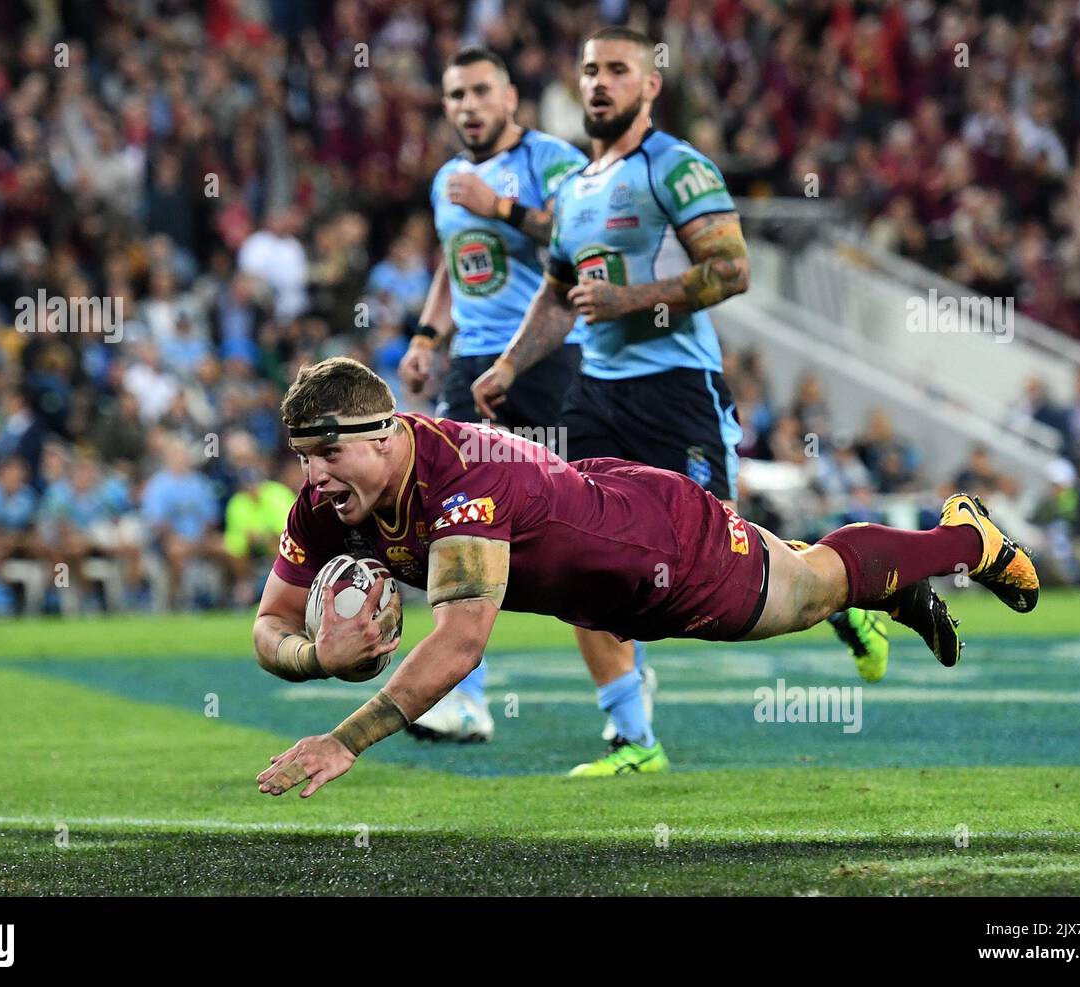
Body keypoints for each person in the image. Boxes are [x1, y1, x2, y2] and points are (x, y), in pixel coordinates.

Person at [252, 358, 1038, 798]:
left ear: (387, 435)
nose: (314, 476)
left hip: (653, 548)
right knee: (807, 576)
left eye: (329, 453)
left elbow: (460, 645)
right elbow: (270, 622)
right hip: (603, 529)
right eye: (303, 457)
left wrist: (344, 737)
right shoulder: (328, 502)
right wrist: (313, 658)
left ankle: (964, 538)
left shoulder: (458, 480)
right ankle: (888, 583)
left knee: (809, 591)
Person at [471, 27, 889, 775]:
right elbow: (562, 296)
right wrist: (509, 364)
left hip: (676, 394)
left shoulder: (676, 167)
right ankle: (633, 737)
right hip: (595, 394)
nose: (600, 83)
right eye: (591, 70)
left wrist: (633, 298)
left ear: (650, 85)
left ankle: (841, 588)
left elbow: (732, 268)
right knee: (575, 555)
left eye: (617, 70)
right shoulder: (573, 190)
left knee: (724, 562)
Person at [394, 45, 589, 743]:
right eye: (455, 95)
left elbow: (579, 236)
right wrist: (424, 336)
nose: (468, 105)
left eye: (480, 91)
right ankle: (464, 696)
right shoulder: (446, 178)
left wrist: (501, 206)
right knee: (451, 521)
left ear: (511, 97)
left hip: (548, 356)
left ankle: (628, 666)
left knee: (579, 526)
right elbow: (453, 270)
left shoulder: (552, 161)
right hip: (467, 364)